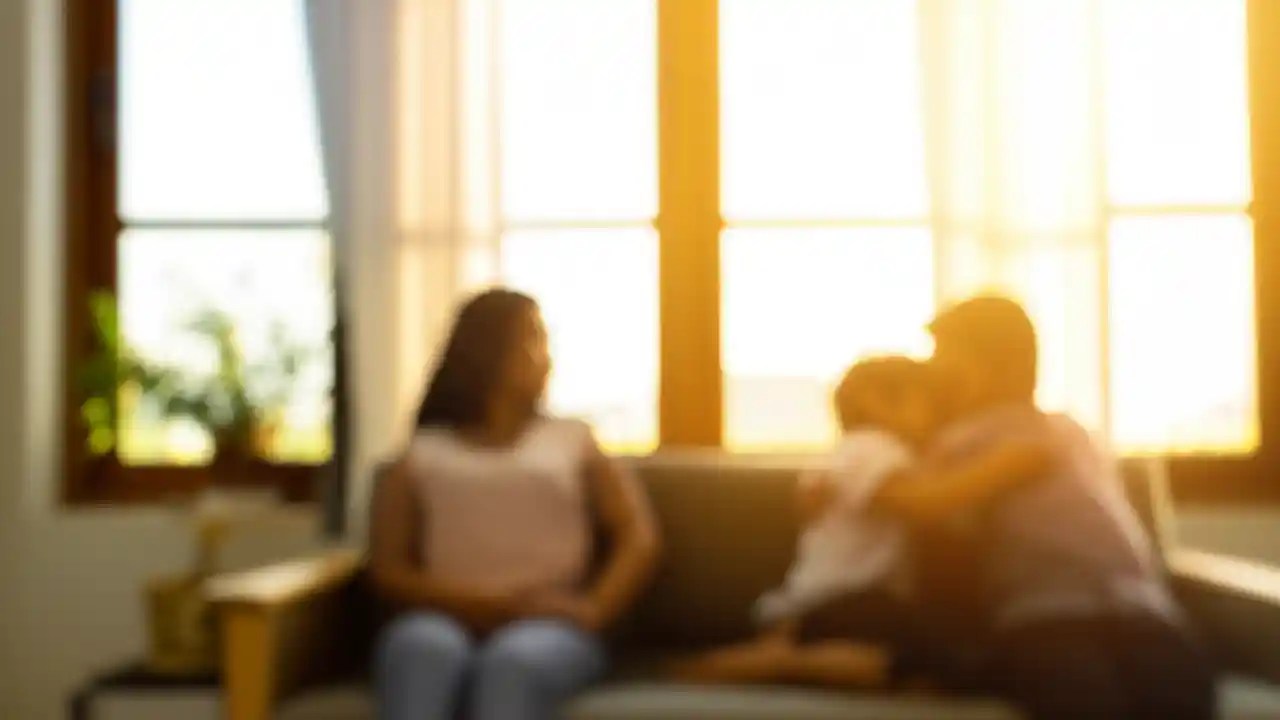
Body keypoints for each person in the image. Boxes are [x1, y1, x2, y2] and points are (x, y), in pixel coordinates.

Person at [872, 295, 1218, 720]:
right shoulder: (954, 443)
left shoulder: (1064, 431)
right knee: (1084, 701)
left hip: (1141, 608)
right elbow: (936, 517)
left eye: (947, 356)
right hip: (1048, 616)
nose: (937, 370)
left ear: (993, 363)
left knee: (1180, 694)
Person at [368, 288, 661, 720]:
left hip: (549, 625)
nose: (546, 356)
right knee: (421, 652)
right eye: (533, 339)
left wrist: (594, 609)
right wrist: (484, 604)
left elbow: (639, 536)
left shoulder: (573, 439)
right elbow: (388, 568)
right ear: (488, 350)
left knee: (512, 666)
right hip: (442, 618)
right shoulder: (420, 453)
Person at [672, 356, 1048, 690]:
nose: (938, 413)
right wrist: (1009, 465)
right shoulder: (870, 448)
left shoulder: (861, 455)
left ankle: (787, 656)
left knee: (906, 665)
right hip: (841, 599)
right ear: (875, 402)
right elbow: (925, 503)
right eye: (927, 401)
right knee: (931, 662)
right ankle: (785, 660)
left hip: (844, 604)